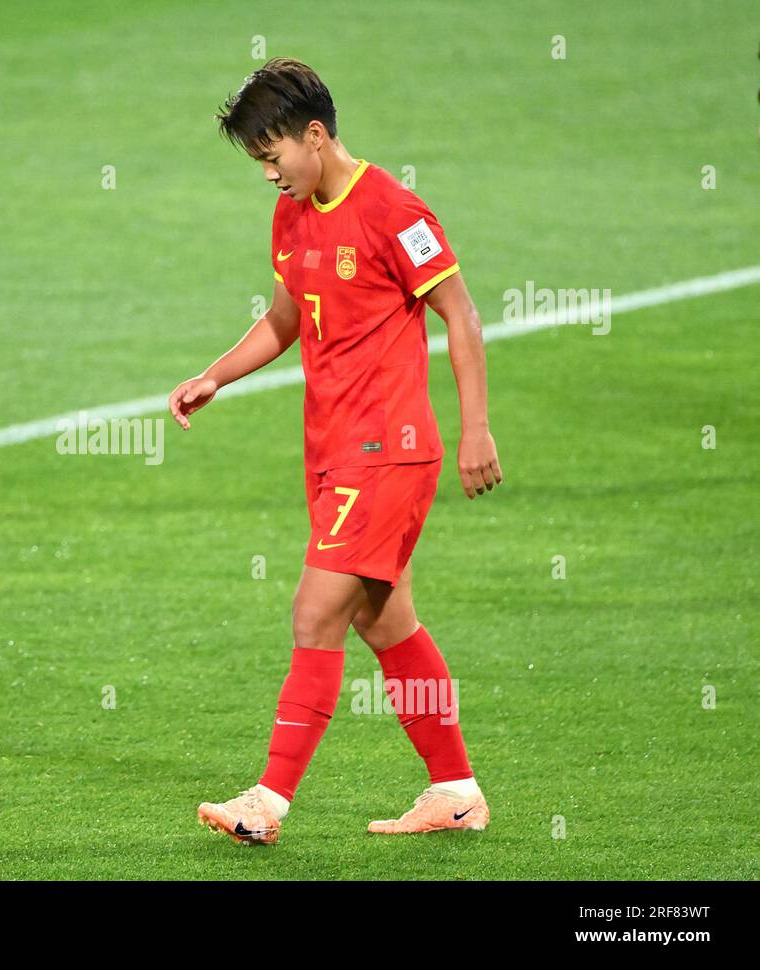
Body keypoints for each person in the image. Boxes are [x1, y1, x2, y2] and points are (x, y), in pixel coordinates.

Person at [169, 58, 503, 845]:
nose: (269, 173)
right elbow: (284, 320)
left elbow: (460, 314)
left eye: (273, 155)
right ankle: (456, 792)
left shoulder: (393, 210)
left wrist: (476, 428)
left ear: (315, 136)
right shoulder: (292, 214)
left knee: (315, 611)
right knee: (386, 624)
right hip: (330, 452)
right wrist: (216, 374)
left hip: (389, 451)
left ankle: (267, 802)